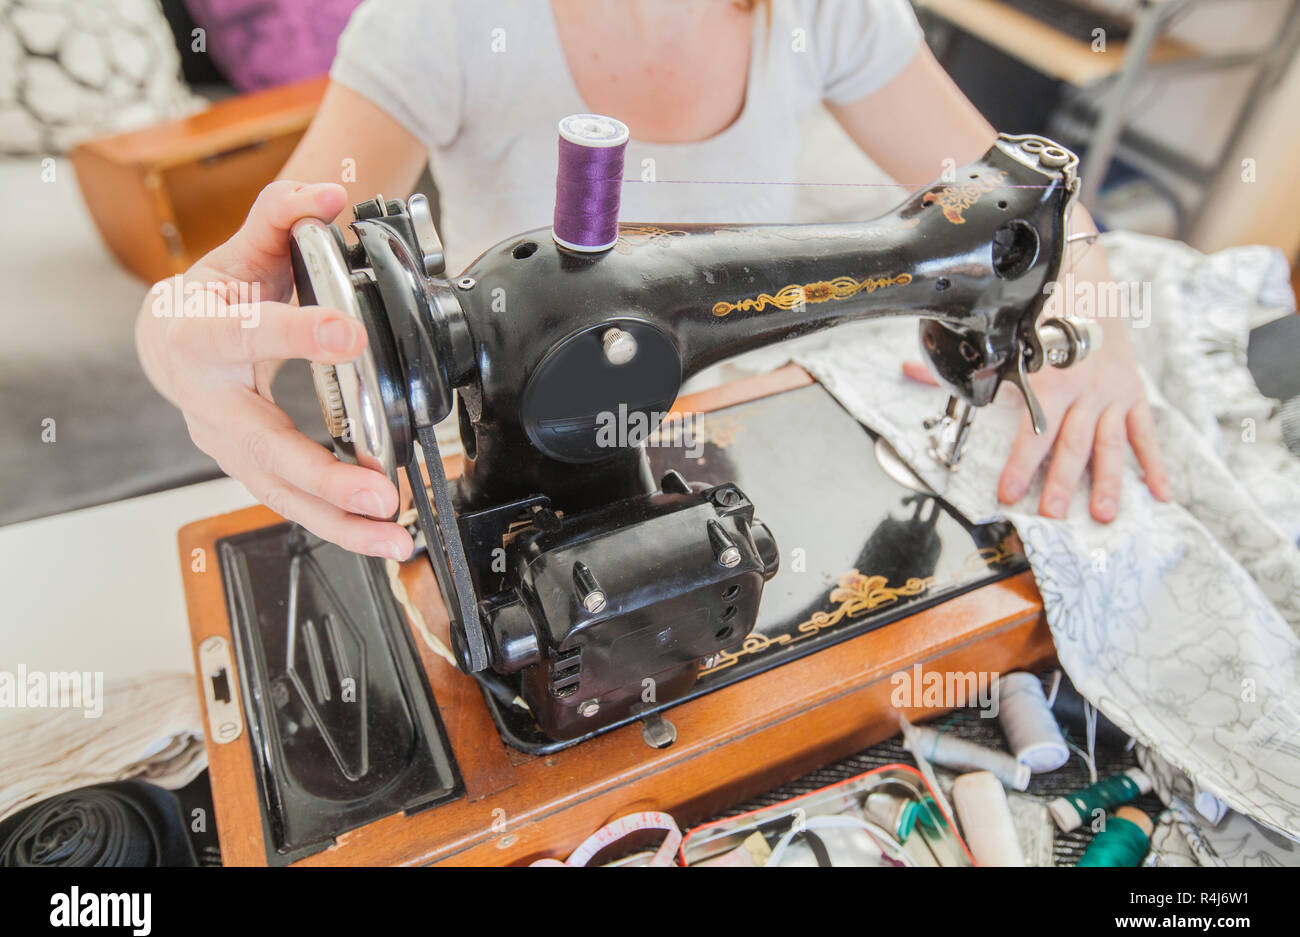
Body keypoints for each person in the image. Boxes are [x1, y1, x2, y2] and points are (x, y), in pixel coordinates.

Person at [135, 0, 1170, 562]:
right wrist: (172, 341)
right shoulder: (439, 25)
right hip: (536, 466)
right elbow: (254, 294)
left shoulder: (831, 13)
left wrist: (1093, 318)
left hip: (729, 428)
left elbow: (1018, 204)